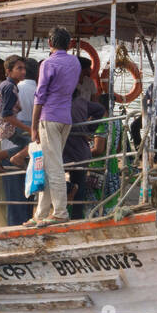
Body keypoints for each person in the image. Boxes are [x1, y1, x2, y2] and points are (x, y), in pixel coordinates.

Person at [31, 27, 82, 224]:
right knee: (48, 165)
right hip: (65, 117)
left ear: (49, 43)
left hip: (49, 117)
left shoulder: (48, 63)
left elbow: (40, 95)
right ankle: (41, 214)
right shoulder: (75, 61)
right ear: (69, 43)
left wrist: (34, 126)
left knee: (53, 167)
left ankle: (60, 212)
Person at [0, 55, 30, 227]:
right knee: (35, 141)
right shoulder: (10, 87)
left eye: (24, 68)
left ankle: (3, 155)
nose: (23, 71)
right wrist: (27, 129)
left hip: (0, 128)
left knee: (30, 141)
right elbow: (7, 115)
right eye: (19, 68)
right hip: (6, 129)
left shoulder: (6, 85)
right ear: (8, 71)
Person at [63, 76, 107, 218]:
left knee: (52, 176)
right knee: (79, 185)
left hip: (66, 150)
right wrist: (90, 128)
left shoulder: (61, 106)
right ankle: (77, 217)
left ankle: (69, 189)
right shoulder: (82, 102)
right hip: (82, 150)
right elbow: (100, 109)